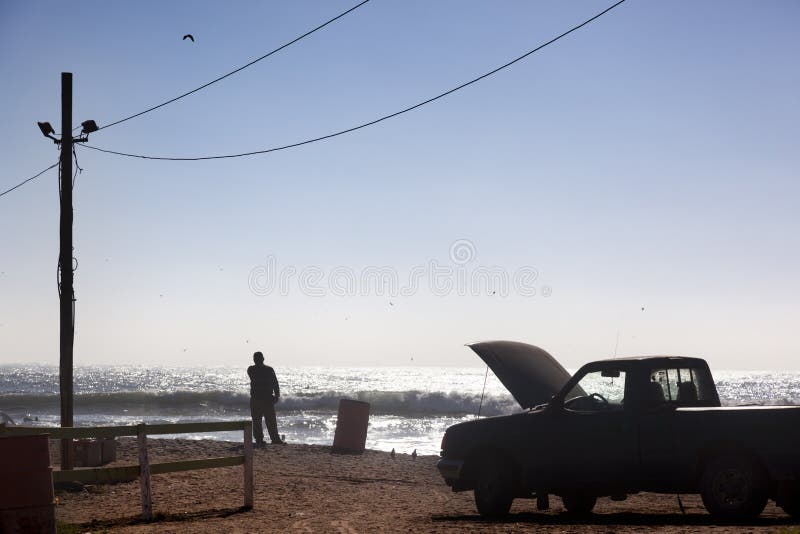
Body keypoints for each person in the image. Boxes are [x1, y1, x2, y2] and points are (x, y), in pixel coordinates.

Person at [247, 351, 285, 446]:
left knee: (261, 420)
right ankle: (271, 439)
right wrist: (277, 395)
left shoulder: (252, 369)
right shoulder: (264, 369)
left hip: (261, 399)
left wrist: (277, 395)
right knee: (266, 420)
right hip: (263, 399)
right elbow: (275, 383)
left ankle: (263, 439)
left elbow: (275, 383)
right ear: (263, 359)